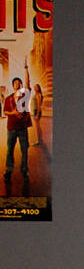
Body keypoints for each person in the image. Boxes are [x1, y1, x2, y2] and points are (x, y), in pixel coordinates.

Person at [3, 59, 31, 195]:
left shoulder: (25, 95)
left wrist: (26, 70)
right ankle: (8, 171)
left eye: (19, 82)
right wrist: (13, 112)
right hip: (11, 128)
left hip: (22, 128)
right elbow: (5, 112)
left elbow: (28, 83)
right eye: (15, 83)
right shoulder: (8, 99)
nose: (17, 84)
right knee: (10, 151)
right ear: (13, 85)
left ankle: (24, 171)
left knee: (24, 150)